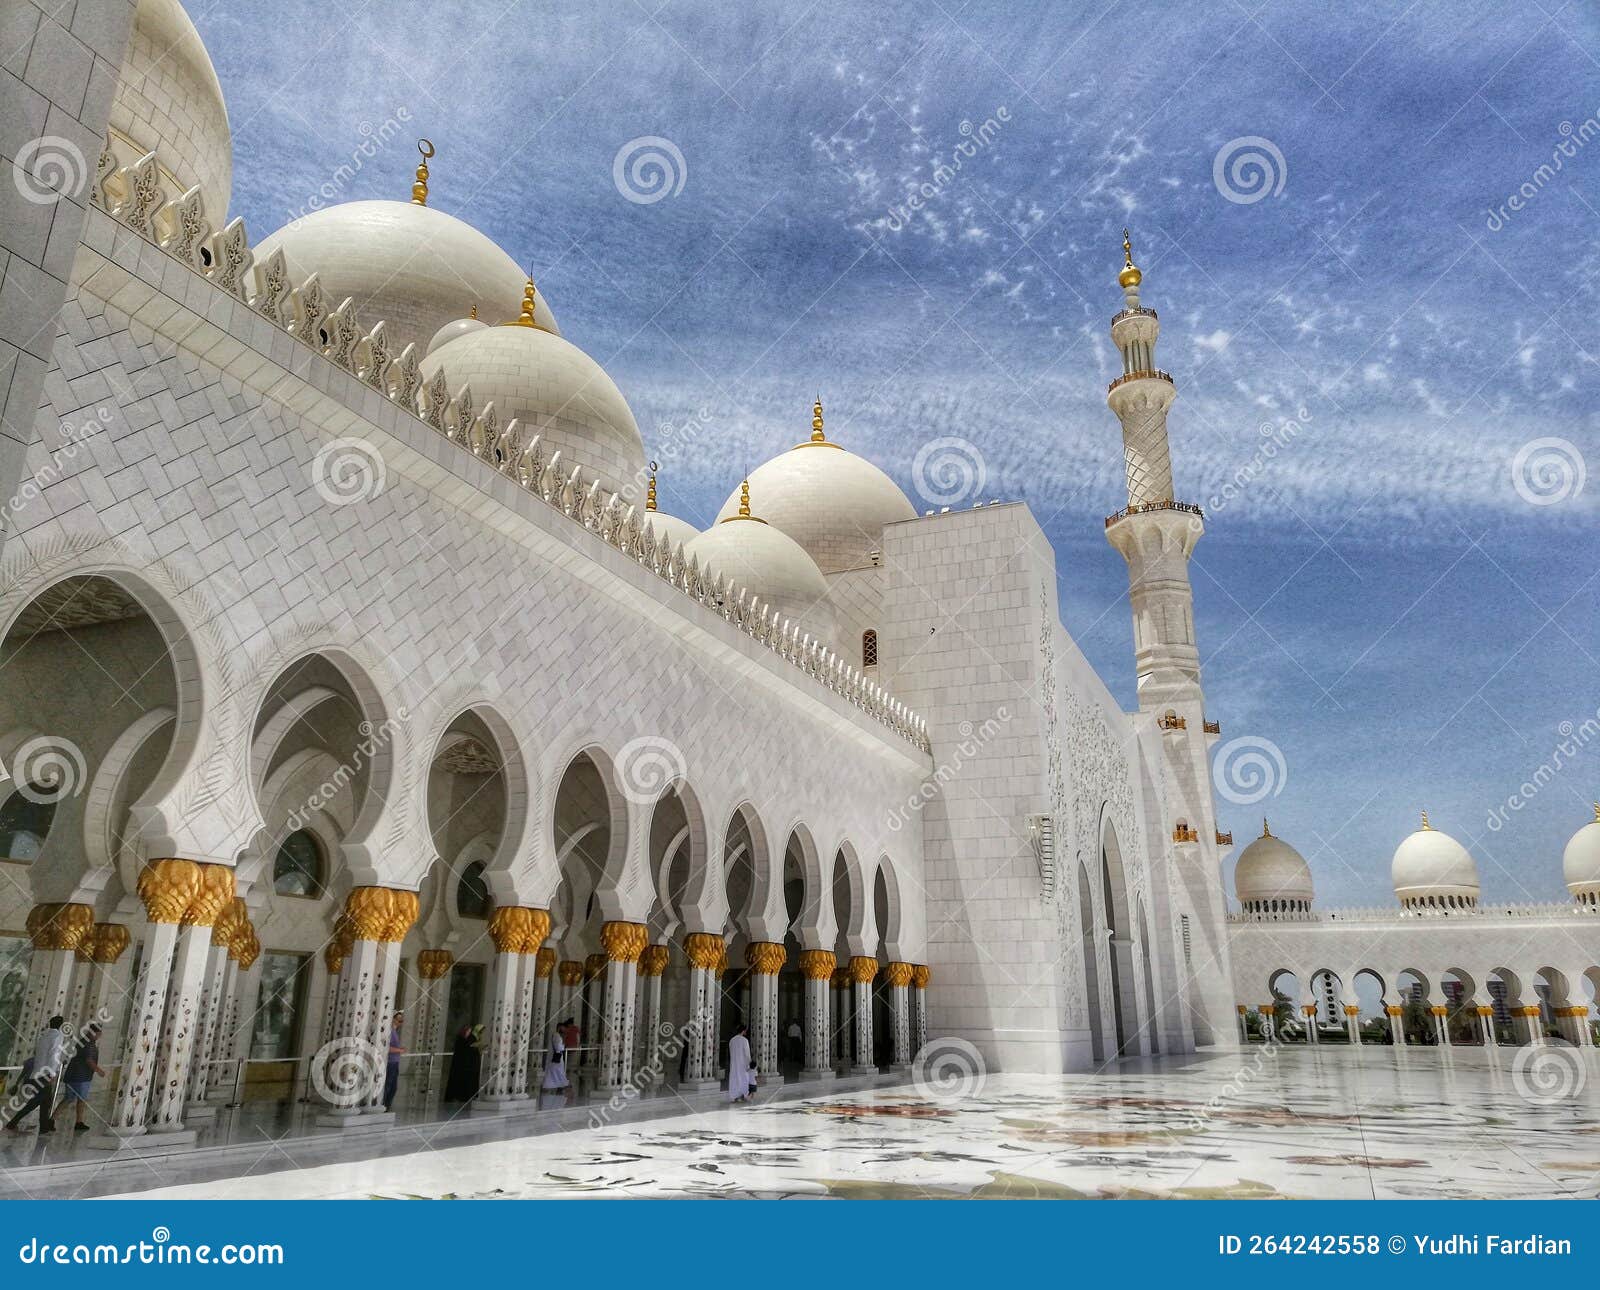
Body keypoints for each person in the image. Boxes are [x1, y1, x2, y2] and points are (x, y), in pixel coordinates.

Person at [6, 1014, 66, 1134]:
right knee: (35, 1102)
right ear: (61, 1025)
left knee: (45, 1101)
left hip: (37, 1072)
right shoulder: (58, 1036)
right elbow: (54, 1054)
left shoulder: (43, 1036)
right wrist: (52, 1073)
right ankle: (12, 1122)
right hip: (45, 1074)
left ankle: (44, 1127)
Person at [61, 1022, 106, 1132]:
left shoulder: (83, 1041)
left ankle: (53, 1119)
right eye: (99, 1034)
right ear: (95, 1033)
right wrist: (99, 1070)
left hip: (73, 1075)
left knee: (68, 1099)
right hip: (81, 1077)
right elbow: (89, 1060)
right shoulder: (89, 1044)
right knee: (81, 1100)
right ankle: (79, 1122)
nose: (99, 1036)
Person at [443, 1023, 481, 1102]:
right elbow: (459, 1051)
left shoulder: (472, 1039)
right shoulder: (460, 1039)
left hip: (470, 1065)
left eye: (469, 1031)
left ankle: (468, 1096)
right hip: (460, 1065)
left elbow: (475, 1051)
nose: (468, 1032)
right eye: (467, 1031)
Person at [727, 1023, 756, 1103]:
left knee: (734, 1079)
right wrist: (750, 1064)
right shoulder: (744, 1040)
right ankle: (744, 1095)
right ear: (743, 1031)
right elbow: (747, 1054)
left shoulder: (732, 1040)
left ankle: (734, 1096)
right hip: (743, 1064)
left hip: (734, 1064)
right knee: (744, 1079)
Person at [382, 1011, 405, 1111]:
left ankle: (387, 1106)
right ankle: (383, 1105)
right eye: (399, 1019)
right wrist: (400, 1050)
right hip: (390, 1062)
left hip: (395, 1062)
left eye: (401, 1020)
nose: (401, 1022)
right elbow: (386, 1047)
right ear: (393, 1019)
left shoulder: (394, 1032)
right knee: (388, 1085)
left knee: (393, 1087)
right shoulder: (390, 1031)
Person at [541, 1019, 571, 1094]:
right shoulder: (557, 1036)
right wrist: (563, 1046)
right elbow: (558, 1047)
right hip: (557, 1056)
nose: (564, 1030)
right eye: (563, 1028)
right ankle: (562, 1084)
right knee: (558, 1071)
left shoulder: (556, 1035)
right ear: (560, 1028)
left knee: (554, 1072)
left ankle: (555, 1085)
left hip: (555, 1057)